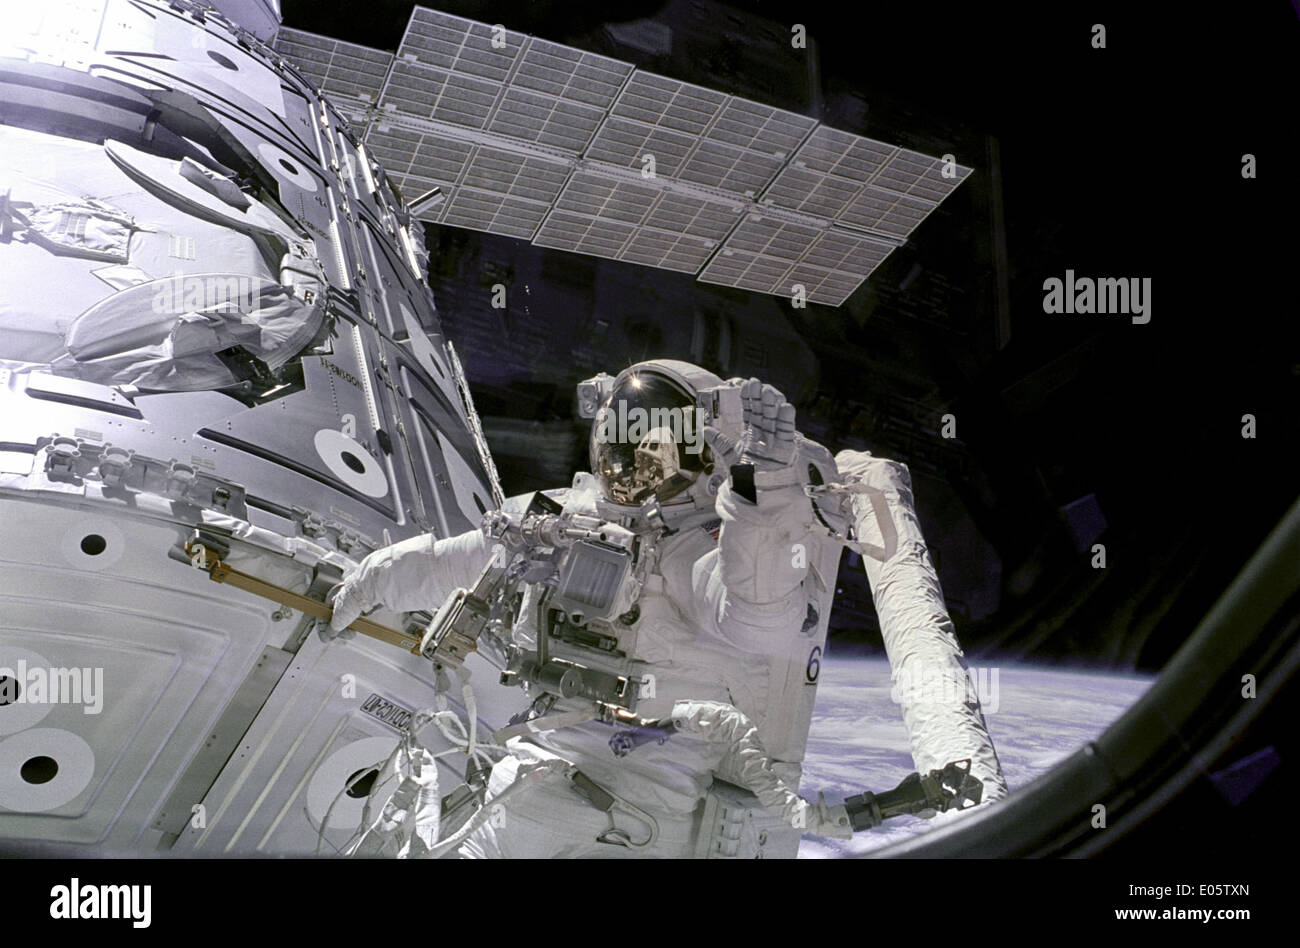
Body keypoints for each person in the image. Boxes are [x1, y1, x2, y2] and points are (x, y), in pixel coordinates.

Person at [328, 359, 1006, 857]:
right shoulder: (561, 521)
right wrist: (365, 583)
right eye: (620, 448)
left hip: (638, 795)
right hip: (543, 765)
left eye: (652, 454)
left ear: (703, 459)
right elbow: (453, 561)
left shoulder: (702, 553)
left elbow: (759, 617)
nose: (628, 470)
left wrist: (761, 492)